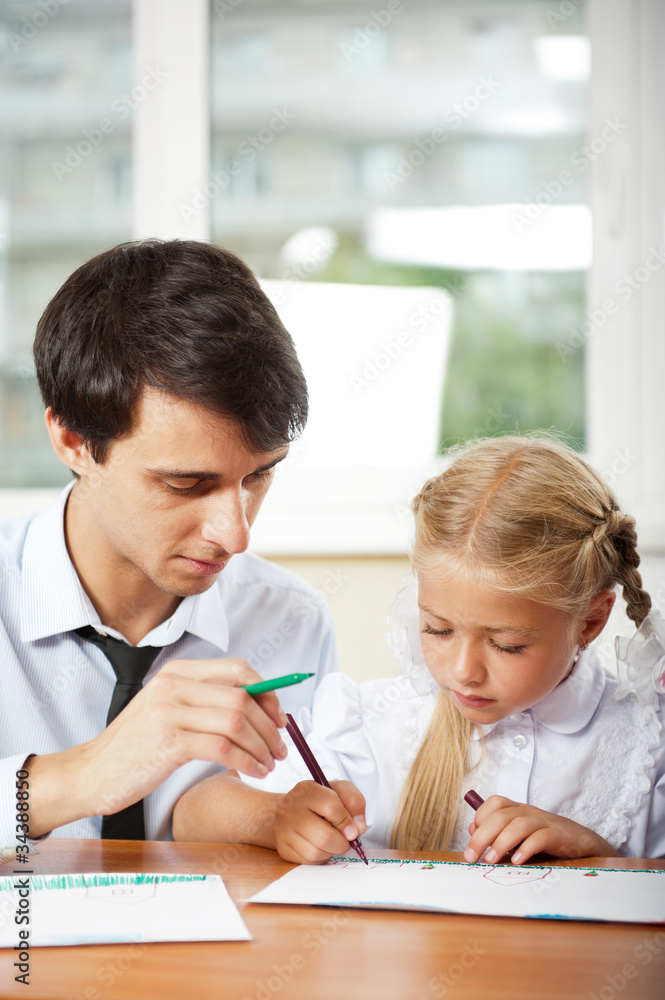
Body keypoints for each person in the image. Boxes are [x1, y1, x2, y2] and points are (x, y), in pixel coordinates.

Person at [173, 435, 665, 863]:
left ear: (592, 621)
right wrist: (276, 817)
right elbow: (194, 814)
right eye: (438, 630)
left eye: (507, 645)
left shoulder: (648, 745)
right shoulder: (376, 724)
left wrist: (597, 854)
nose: (463, 671)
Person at [0, 239, 338, 849]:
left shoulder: (291, 618)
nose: (236, 534)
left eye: (259, 475)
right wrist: (84, 776)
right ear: (74, 441)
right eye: (187, 483)